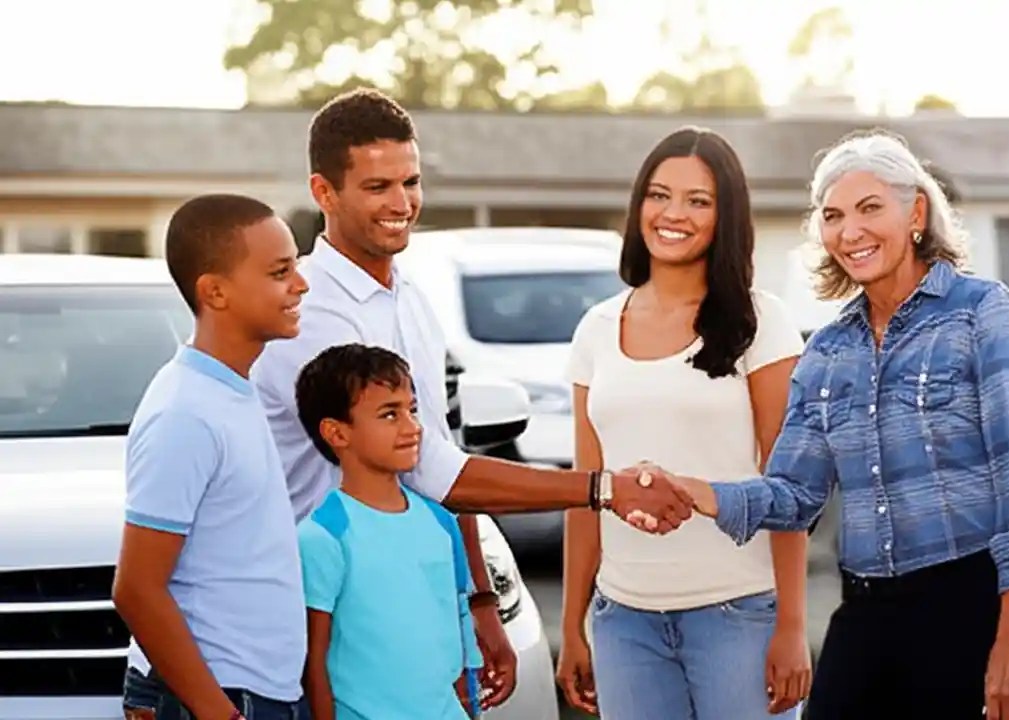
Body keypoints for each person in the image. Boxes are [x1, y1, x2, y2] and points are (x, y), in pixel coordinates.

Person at [250, 89, 694, 707]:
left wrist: (479, 599)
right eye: (377, 187)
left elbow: (437, 453)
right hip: (327, 615)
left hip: (414, 610)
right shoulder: (308, 313)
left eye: (411, 181)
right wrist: (605, 489)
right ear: (324, 193)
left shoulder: (414, 300)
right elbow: (434, 469)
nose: (401, 203)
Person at [673, 131, 1009, 720]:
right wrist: (699, 494)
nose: (849, 231)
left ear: (917, 213)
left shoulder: (982, 311)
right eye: (833, 216)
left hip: (967, 603)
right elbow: (795, 496)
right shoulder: (826, 349)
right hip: (866, 608)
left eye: (870, 208)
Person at [556, 127, 810, 719]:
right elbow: (585, 490)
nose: (673, 214)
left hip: (738, 615)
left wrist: (793, 626)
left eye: (698, 200)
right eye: (658, 194)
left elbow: (789, 490)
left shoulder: (762, 323)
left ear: (726, 216)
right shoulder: (596, 328)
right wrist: (573, 624)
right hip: (624, 623)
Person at [114, 194, 311, 720]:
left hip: (261, 690)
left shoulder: (233, 388)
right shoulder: (185, 411)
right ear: (215, 291)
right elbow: (136, 589)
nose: (301, 284)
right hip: (220, 696)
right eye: (280, 271)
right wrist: (216, 711)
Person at [294, 343, 484, 720]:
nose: (412, 428)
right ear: (337, 432)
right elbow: (313, 662)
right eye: (389, 414)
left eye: (411, 410)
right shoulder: (322, 536)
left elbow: (458, 619)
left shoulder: (441, 522)